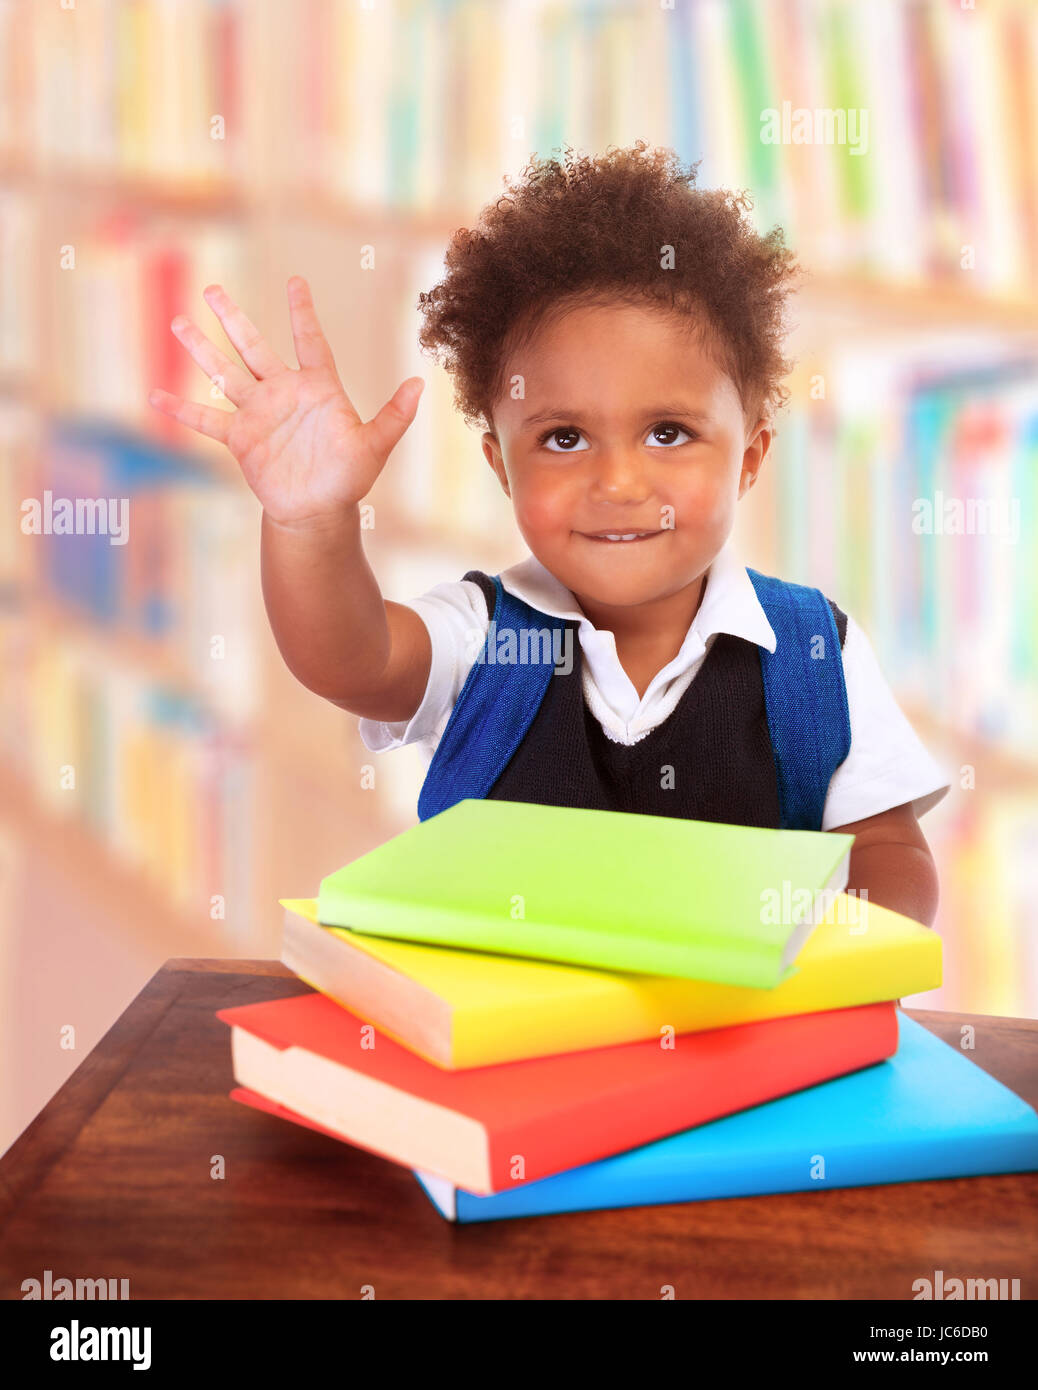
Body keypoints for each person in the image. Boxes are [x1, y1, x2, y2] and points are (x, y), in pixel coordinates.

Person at [149, 143, 949, 926]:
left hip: (752, 1053)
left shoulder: (815, 653)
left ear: (750, 457)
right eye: (564, 438)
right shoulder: (481, 637)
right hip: (508, 1056)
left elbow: (889, 848)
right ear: (502, 465)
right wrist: (310, 518)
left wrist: (839, 956)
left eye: (668, 432)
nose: (619, 483)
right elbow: (349, 660)